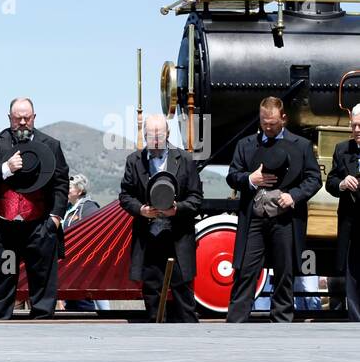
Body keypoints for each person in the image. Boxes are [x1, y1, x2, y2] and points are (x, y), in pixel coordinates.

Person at [0, 97, 70, 320]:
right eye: (17, 118)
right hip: (5, 229)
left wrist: (55, 218)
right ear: (9, 118)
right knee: (4, 276)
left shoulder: (50, 144)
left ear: (34, 118)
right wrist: (6, 168)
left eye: (27, 117)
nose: (22, 122)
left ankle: (42, 324)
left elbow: (61, 182)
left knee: (42, 279)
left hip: (39, 227)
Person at [225, 96, 322, 323]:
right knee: (245, 272)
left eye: (272, 123)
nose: (267, 127)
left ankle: (282, 326)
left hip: (285, 220)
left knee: (284, 274)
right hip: (255, 219)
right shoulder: (245, 145)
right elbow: (232, 176)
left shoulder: (302, 145)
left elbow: (314, 178)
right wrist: (250, 178)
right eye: (263, 122)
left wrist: (294, 196)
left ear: (284, 119)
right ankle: (234, 326)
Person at [118, 114, 202, 322]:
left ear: (168, 134)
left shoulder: (185, 159)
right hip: (149, 239)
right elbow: (125, 196)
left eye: (160, 135)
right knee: (152, 295)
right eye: (151, 135)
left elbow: (196, 198)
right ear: (144, 135)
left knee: (184, 298)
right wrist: (140, 210)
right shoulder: (134, 161)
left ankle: (195, 344)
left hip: (178, 238)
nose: (155, 140)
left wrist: (178, 209)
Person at [325, 105, 360, 320]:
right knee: (353, 272)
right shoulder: (341, 149)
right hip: (351, 221)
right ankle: (356, 319)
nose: (357, 130)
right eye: (354, 125)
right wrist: (342, 183)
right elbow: (330, 182)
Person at [61, 174, 101, 311]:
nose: (66, 189)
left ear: (79, 190)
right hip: (68, 260)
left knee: (82, 298)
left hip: (82, 262)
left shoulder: (89, 208)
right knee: (71, 299)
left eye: (69, 187)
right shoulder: (66, 208)